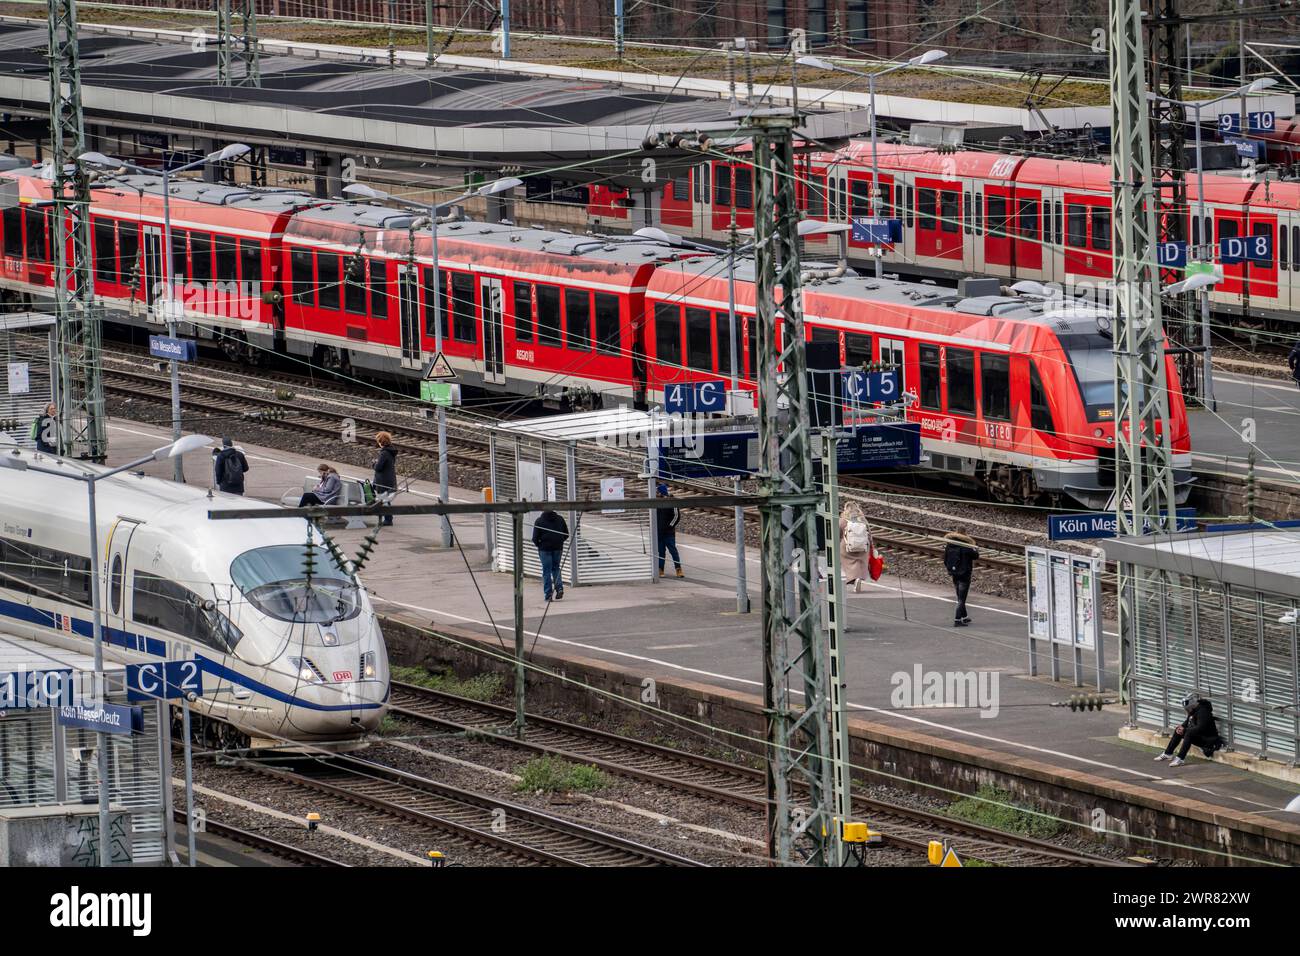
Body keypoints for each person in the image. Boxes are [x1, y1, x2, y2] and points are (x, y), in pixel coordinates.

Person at [1155, 692, 1224, 768]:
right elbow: (1188, 721)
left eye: (1188, 709)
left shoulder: (1203, 712)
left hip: (1208, 740)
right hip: (1200, 736)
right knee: (1178, 731)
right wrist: (1181, 727)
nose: (1187, 711)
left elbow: (1200, 728)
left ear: (1192, 705)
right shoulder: (1193, 710)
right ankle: (1168, 754)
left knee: (1189, 733)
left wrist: (1185, 730)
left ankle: (1180, 759)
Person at [942, 531, 978, 627]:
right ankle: (957, 619)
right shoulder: (966, 547)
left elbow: (945, 560)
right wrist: (974, 549)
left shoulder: (949, 546)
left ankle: (964, 616)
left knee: (959, 596)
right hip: (964, 575)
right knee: (962, 598)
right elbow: (976, 556)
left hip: (954, 574)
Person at [531, 509, 568, 601]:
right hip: (558, 548)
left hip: (544, 549)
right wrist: (559, 542)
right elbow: (566, 534)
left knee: (546, 571)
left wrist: (540, 545)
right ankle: (559, 588)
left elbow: (535, 538)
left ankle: (548, 594)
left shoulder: (539, 521)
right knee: (556, 568)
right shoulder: (560, 519)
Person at [840, 502, 873, 594]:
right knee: (860, 562)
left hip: (847, 546)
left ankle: (853, 579)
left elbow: (838, 533)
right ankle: (858, 578)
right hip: (862, 545)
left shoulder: (843, 520)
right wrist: (871, 544)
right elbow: (869, 533)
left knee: (849, 563)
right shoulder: (862, 519)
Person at [655, 483, 683, 578]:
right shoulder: (656, 503)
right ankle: (660, 569)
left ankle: (678, 569)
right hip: (658, 532)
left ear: (661, 493)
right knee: (660, 552)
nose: (656, 493)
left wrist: (669, 526)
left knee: (673, 551)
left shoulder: (672, 502)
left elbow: (677, 516)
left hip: (668, 533)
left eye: (657, 492)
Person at [372, 432, 397, 526]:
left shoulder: (384, 453)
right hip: (389, 479)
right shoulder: (391, 451)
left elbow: (378, 467)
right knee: (386, 499)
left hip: (383, 480)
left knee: (384, 499)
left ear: (381, 442)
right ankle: (388, 518)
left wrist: (374, 463)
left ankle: (388, 519)